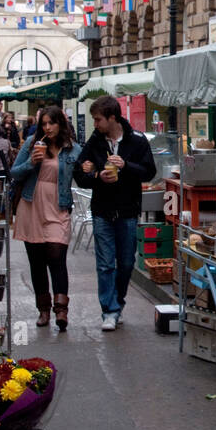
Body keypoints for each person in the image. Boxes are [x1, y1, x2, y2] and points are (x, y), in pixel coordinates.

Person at [74, 95, 156, 331]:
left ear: (112, 118)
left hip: (128, 211)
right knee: (105, 264)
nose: (95, 123)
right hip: (102, 210)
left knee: (127, 262)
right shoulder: (95, 142)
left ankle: (117, 303)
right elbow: (80, 174)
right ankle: (109, 311)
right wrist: (97, 175)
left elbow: (149, 172)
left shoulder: (137, 141)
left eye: (98, 119)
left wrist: (125, 166)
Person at [10, 105, 83, 331]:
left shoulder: (73, 149)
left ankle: (61, 310)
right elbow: (14, 172)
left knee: (57, 254)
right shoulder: (33, 143)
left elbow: (83, 176)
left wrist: (91, 170)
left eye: (51, 123)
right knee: (37, 260)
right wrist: (32, 161)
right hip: (31, 204)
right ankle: (43, 310)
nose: (47, 127)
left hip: (58, 205)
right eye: (44, 124)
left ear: (60, 124)